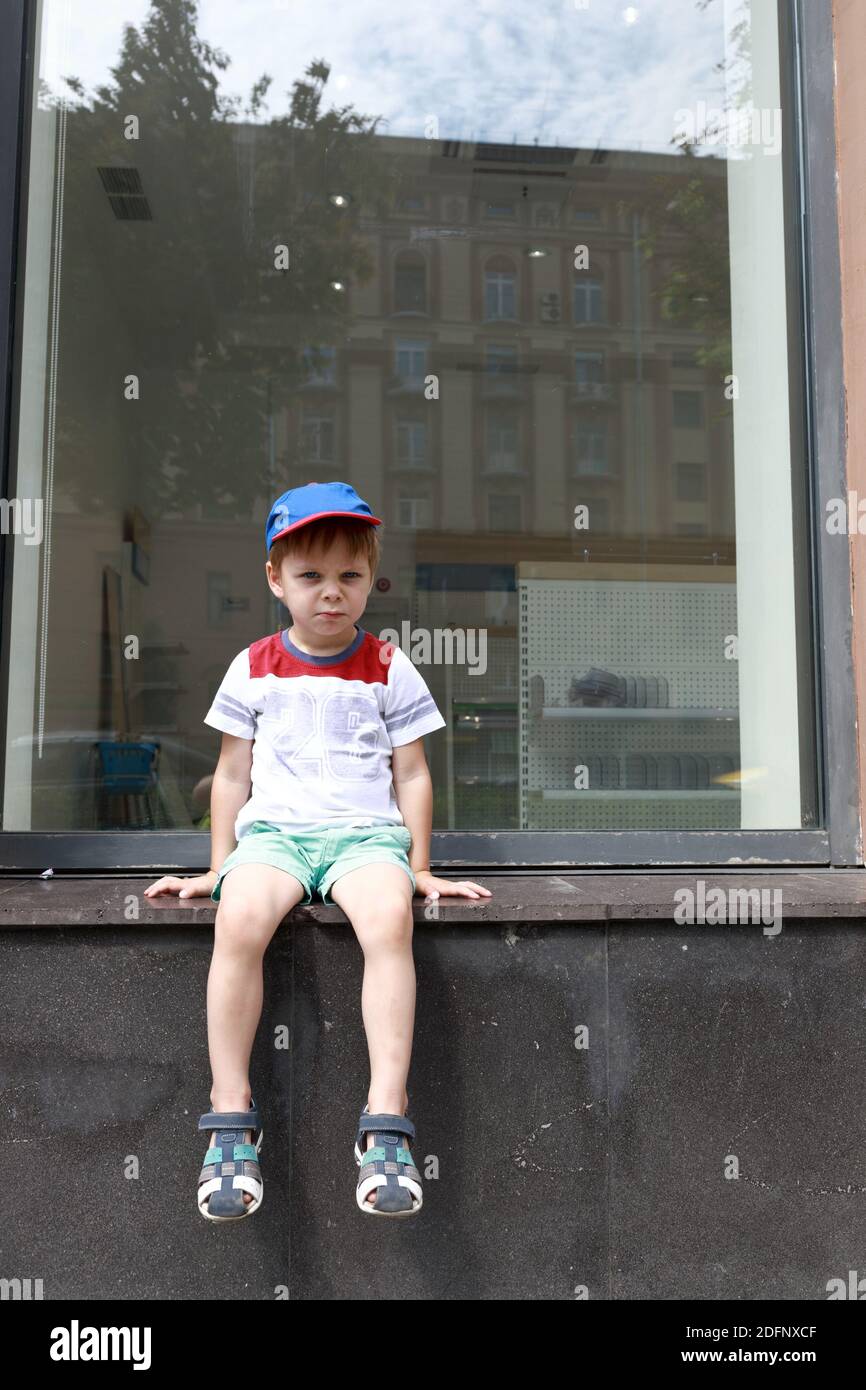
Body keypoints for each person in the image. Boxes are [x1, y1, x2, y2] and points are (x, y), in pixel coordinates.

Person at [145, 480, 492, 1220]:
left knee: (389, 921)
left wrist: (420, 865)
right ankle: (230, 1117)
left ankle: (386, 1122)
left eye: (350, 577)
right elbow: (232, 774)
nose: (331, 593)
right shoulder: (254, 664)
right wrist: (217, 866)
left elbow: (413, 772)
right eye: (311, 577)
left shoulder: (389, 666)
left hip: (365, 839)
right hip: (274, 839)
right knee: (238, 920)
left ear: (371, 580)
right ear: (275, 579)